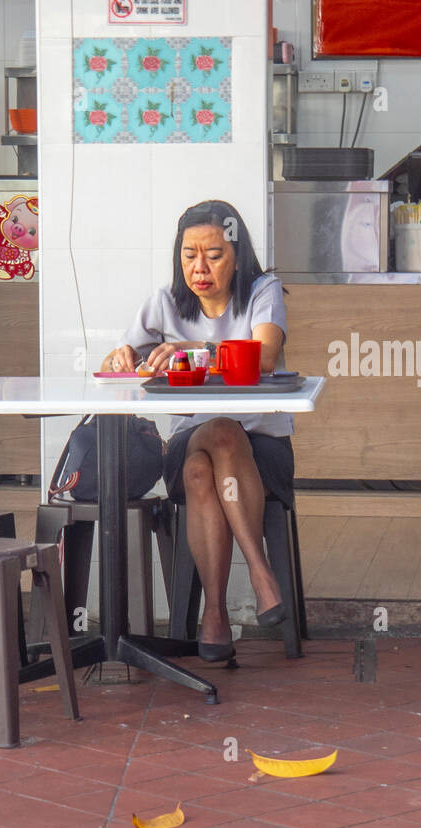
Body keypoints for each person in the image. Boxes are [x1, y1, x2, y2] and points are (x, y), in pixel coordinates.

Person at [102, 200, 291, 662]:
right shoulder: (165, 303)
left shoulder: (264, 291)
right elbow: (118, 360)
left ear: (238, 256)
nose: (199, 267)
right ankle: (261, 573)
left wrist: (195, 347)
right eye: (189, 255)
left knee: (206, 466)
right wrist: (122, 357)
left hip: (263, 447)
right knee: (217, 434)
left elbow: (264, 356)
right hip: (189, 439)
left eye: (214, 254)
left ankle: (214, 615)